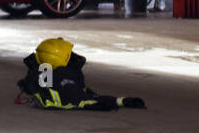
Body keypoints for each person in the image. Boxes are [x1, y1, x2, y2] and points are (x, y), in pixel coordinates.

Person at [16, 37, 145, 111]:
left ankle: (120, 101)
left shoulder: (42, 72)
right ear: (56, 58)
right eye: (67, 56)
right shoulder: (57, 74)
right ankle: (120, 101)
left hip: (82, 99)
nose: (71, 57)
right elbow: (78, 98)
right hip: (82, 100)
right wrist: (116, 102)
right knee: (91, 99)